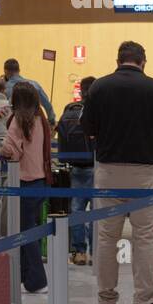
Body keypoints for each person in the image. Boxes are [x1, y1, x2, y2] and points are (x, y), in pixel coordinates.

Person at [79, 41, 153, 304]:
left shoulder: (99, 87)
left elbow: (86, 126)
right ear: (142, 61)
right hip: (144, 174)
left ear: (118, 59)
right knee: (144, 239)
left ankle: (105, 302)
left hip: (108, 172)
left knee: (106, 238)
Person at [0, 82, 51, 294]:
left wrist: (0, 148)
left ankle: (37, 280)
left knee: (23, 234)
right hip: (40, 181)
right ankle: (25, 277)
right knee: (31, 231)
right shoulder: (40, 119)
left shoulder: (18, 120)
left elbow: (11, 150)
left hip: (22, 182)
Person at [55, 75, 95, 264]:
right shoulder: (99, 111)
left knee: (77, 209)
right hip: (98, 168)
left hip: (76, 169)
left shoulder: (69, 111)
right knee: (98, 211)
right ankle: (97, 252)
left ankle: (80, 252)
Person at [2, 58, 55, 124]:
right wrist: (51, 120)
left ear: (5, 71)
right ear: (19, 70)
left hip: (14, 124)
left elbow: (2, 109)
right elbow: (47, 104)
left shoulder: (4, 88)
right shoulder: (34, 85)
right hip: (33, 123)